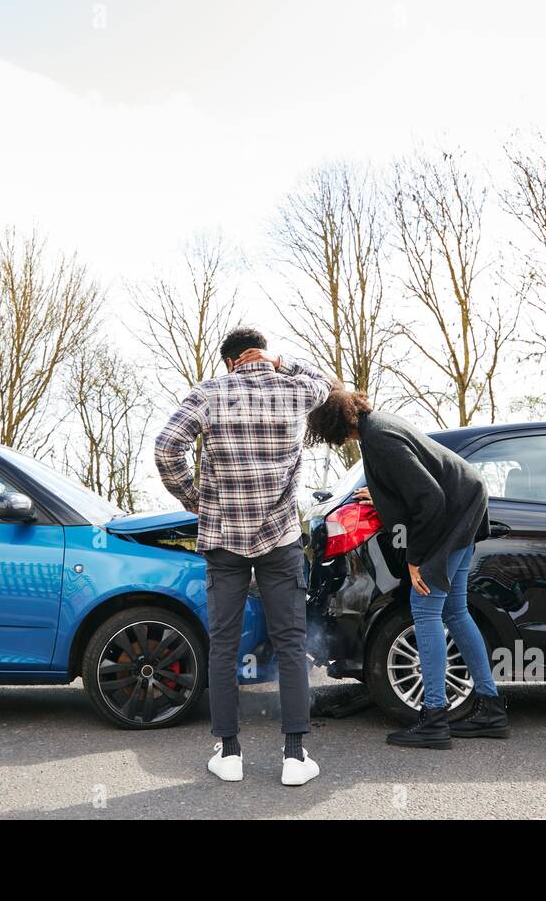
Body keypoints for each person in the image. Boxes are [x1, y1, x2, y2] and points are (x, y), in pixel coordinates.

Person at [155, 327, 332, 785]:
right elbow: (327, 384)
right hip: (280, 537)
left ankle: (229, 752)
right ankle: (294, 755)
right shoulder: (294, 388)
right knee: (291, 644)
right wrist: (283, 364)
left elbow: (167, 446)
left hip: (223, 537)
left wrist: (192, 498)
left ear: (229, 361)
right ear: (262, 354)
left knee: (225, 645)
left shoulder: (211, 392)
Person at [305, 386, 510, 748]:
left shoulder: (379, 439)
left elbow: (429, 500)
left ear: (331, 423)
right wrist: (383, 498)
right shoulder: (377, 425)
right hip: (465, 503)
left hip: (452, 513)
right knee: (455, 611)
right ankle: (491, 708)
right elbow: (415, 487)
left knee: (425, 609)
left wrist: (417, 560)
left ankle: (434, 719)